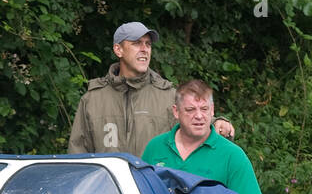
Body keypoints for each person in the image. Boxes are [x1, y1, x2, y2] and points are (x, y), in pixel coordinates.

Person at [67, 22, 233, 158]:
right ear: (118, 50)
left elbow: (194, 123)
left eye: (148, 44)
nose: (144, 49)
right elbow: (77, 154)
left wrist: (217, 123)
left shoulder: (167, 95)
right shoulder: (93, 99)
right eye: (136, 43)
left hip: (154, 193)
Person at [142, 79, 265, 194]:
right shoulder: (155, 147)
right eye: (190, 109)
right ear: (176, 111)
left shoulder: (232, 156)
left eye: (204, 109)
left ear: (212, 110)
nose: (199, 116)